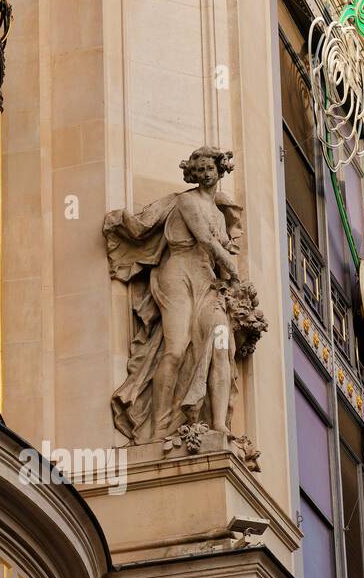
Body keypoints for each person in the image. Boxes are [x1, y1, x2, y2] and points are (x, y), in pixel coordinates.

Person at [106, 147, 255, 448]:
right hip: (178, 273)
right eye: (199, 170)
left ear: (219, 171)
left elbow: (218, 251)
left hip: (207, 282)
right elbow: (207, 241)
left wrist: (236, 292)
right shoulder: (187, 201)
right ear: (192, 174)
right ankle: (158, 427)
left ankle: (218, 425)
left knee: (221, 344)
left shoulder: (219, 214)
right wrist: (235, 273)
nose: (205, 174)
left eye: (209, 169)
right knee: (175, 348)